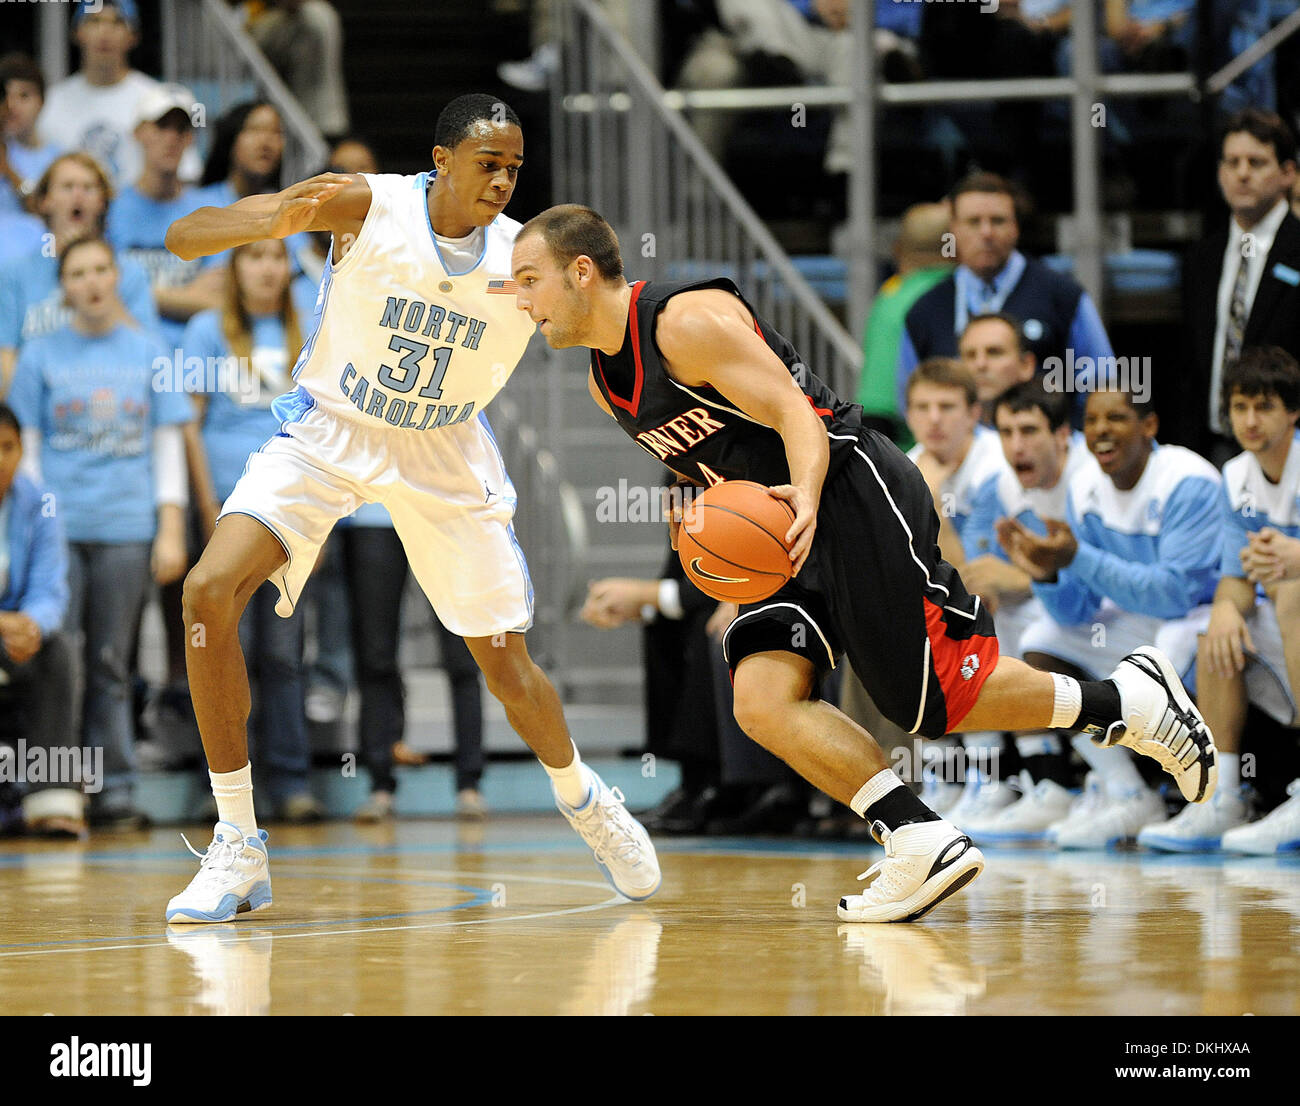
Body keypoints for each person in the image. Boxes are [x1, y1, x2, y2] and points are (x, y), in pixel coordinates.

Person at [512, 204, 1218, 923]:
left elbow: (797, 414)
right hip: (782, 534)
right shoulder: (607, 380)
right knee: (759, 699)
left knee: (929, 704)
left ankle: (1127, 702)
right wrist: (707, 535)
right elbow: (713, 462)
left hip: (846, 491)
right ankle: (918, 836)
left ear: (581, 271)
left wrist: (808, 500)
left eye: (529, 278)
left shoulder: (682, 321)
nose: (520, 298)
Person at [161, 94, 660, 922]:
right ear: (441, 160)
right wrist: (219, 228)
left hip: (442, 450)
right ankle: (238, 843)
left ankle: (584, 799)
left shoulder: (520, 256)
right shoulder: (369, 204)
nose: (502, 178)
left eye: (514, 166)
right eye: (487, 162)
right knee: (207, 594)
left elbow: (597, 317)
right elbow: (270, 211)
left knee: (504, 663)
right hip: (331, 430)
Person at [8, 236, 191, 829]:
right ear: (63, 287)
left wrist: (169, 528)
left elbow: (166, 444)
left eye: (100, 270)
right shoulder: (39, 355)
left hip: (125, 525)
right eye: (78, 272)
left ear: (117, 278)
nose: (90, 282)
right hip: (60, 528)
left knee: (113, 663)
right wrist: (38, 527)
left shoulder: (148, 351)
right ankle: (54, 791)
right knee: (60, 657)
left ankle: (114, 787)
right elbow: (25, 451)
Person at [997, 385, 1222, 849]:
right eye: (1093, 421)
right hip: (1138, 620)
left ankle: (1211, 799)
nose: (1101, 431)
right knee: (1042, 638)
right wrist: (1047, 574)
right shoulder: (1085, 488)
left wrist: (1078, 557)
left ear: (1150, 426)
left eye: (1115, 418)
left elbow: (1177, 594)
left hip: (1203, 617)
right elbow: (1077, 607)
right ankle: (1127, 792)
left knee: (1168, 647)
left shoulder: (1186, 479)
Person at [180, 237, 324, 822]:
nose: (266, 268)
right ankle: (217, 789)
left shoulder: (314, 330)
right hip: (224, 513)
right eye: (253, 257)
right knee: (212, 642)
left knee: (283, 652)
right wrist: (202, 502)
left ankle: (290, 781)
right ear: (233, 267)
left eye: (275, 259)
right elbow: (187, 425)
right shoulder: (205, 331)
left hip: (291, 512)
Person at [1153, 347, 1300, 853]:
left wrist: (1295, 557)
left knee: (1290, 593)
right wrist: (1223, 609)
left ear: (1293, 411)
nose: (1251, 421)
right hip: (1287, 629)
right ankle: (1224, 796)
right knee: (1217, 630)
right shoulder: (1236, 475)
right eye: (1240, 408)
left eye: (1265, 407)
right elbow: (1237, 578)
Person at [960, 380, 1098, 841]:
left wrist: (1017, 578)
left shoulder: (1090, 479)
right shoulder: (1002, 483)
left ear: (1062, 435)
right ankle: (1020, 780)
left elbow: (1095, 582)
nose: (1016, 445)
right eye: (1005, 431)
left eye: (1029, 430)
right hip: (1066, 609)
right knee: (965, 622)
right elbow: (975, 563)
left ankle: (1115, 788)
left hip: (1119, 614)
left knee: (1033, 639)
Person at [897, 171, 1114, 414]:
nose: (986, 233)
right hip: (959, 451)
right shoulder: (926, 311)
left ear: (1015, 227)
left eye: (998, 221)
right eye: (973, 222)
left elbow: (1101, 387)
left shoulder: (1063, 297)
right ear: (953, 229)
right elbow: (909, 401)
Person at [1175, 109, 1300, 463]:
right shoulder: (1201, 259)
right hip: (1212, 447)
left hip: (1290, 452)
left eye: (1256, 162)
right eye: (1232, 162)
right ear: (1219, 172)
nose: (1242, 174)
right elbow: (1190, 368)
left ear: (1287, 173)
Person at [0, 152, 159, 395]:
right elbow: (6, 358)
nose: (78, 195)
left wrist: (101, 281)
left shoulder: (127, 272)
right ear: (45, 201)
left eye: (88, 187)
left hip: (116, 403)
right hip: (39, 405)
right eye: (67, 187)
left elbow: (151, 355)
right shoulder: (15, 273)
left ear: (102, 203)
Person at [0, 403, 78, 836]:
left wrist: (32, 625)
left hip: (15, 634)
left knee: (58, 650)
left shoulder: (42, 503)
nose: (0, 460)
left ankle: (52, 803)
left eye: (8, 447)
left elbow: (50, 588)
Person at [36, 1, 201, 190]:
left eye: (117, 23)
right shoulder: (51, 102)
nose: (105, 32)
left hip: (142, 216)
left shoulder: (159, 100)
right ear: (77, 33)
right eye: (94, 21)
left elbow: (187, 176)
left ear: (134, 36)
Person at [855, 202, 953, 445]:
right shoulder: (967, 292)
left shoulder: (892, 300)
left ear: (898, 249)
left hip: (912, 460)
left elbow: (878, 410)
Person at [0, 53, 62, 218]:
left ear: (42, 102)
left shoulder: (58, 160)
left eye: (24, 96)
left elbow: (52, 216)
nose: (12, 105)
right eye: (5, 96)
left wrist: (8, 171)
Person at [958, 311, 1037, 425]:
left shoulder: (1058, 440)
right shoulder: (941, 440)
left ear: (1026, 365)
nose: (980, 364)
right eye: (970, 355)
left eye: (994, 352)